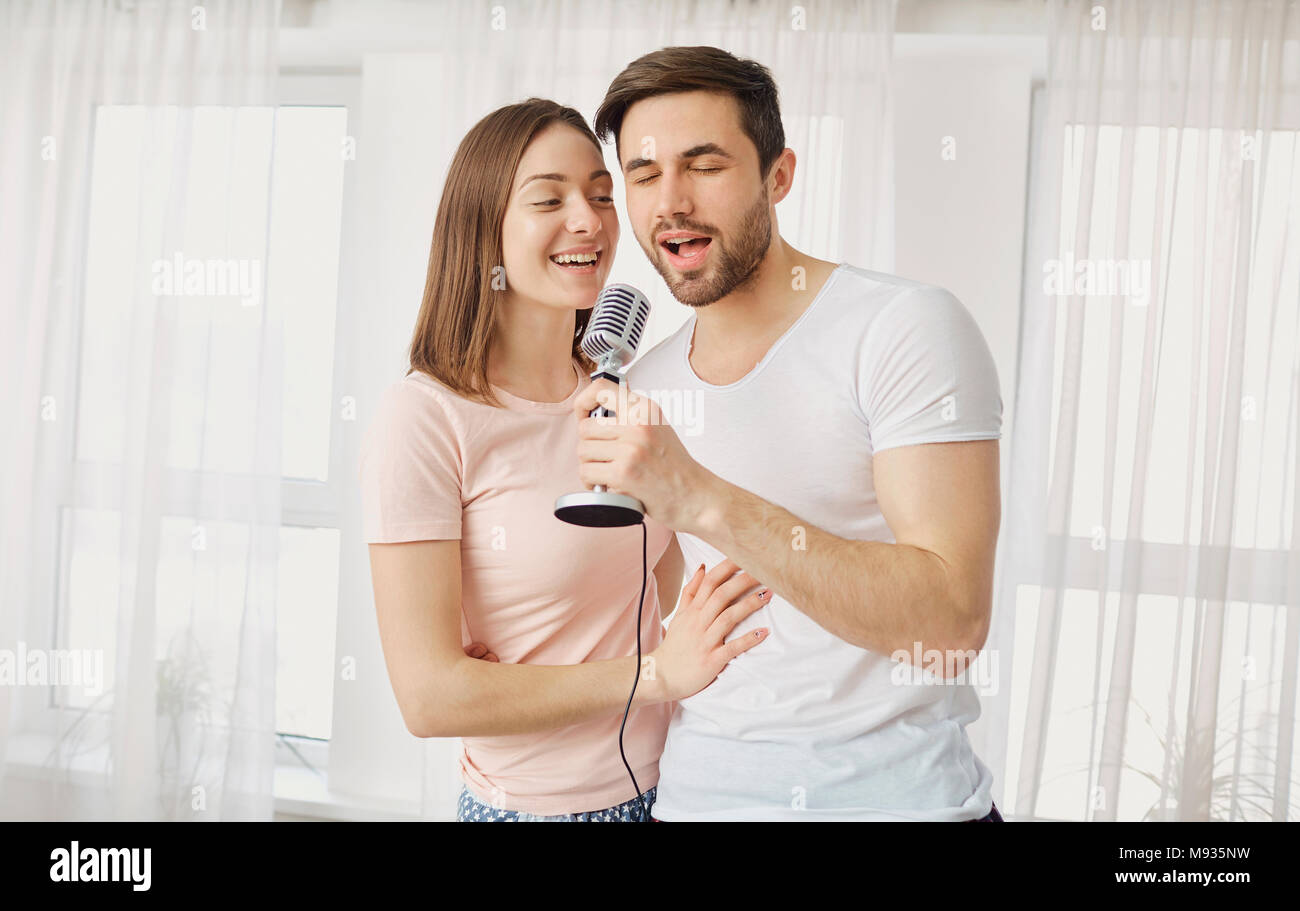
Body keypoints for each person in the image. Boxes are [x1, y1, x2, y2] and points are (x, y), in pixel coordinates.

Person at [570, 46, 1007, 821]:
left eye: (704, 165)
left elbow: (952, 617)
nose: (670, 200)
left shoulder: (901, 327)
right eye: (643, 173)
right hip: (697, 799)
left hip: (898, 806)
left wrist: (700, 497)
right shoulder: (645, 384)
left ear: (779, 175)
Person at [359, 98, 770, 822]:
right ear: (483, 229)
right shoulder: (425, 418)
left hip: (676, 788)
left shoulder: (624, 394)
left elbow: (652, 582)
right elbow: (428, 697)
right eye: (549, 198)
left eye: (602, 195)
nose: (590, 219)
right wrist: (655, 674)